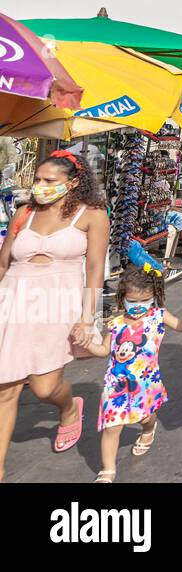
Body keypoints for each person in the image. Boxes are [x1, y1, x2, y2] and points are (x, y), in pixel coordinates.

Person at [0, 151, 110, 482]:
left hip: (56, 306)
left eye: (50, 181)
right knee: (6, 389)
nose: (40, 186)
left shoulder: (92, 215)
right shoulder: (24, 213)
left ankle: (68, 408)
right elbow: (4, 262)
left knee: (45, 388)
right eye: (37, 179)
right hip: (12, 303)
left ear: (73, 182)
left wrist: (88, 317)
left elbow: (94, 270)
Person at [79, 263, 182, 482]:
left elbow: (181, 326)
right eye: (133, 301)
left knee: (145, 416)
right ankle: (108, 470)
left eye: (144, 300)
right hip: (116, 384)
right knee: (112, 426)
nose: (139, 306)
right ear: (122, 298)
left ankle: (149, 429)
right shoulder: (115, 324)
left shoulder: (158, 316)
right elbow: (104, 351)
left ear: (154, 297)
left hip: (145, 382)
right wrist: (86, 344)